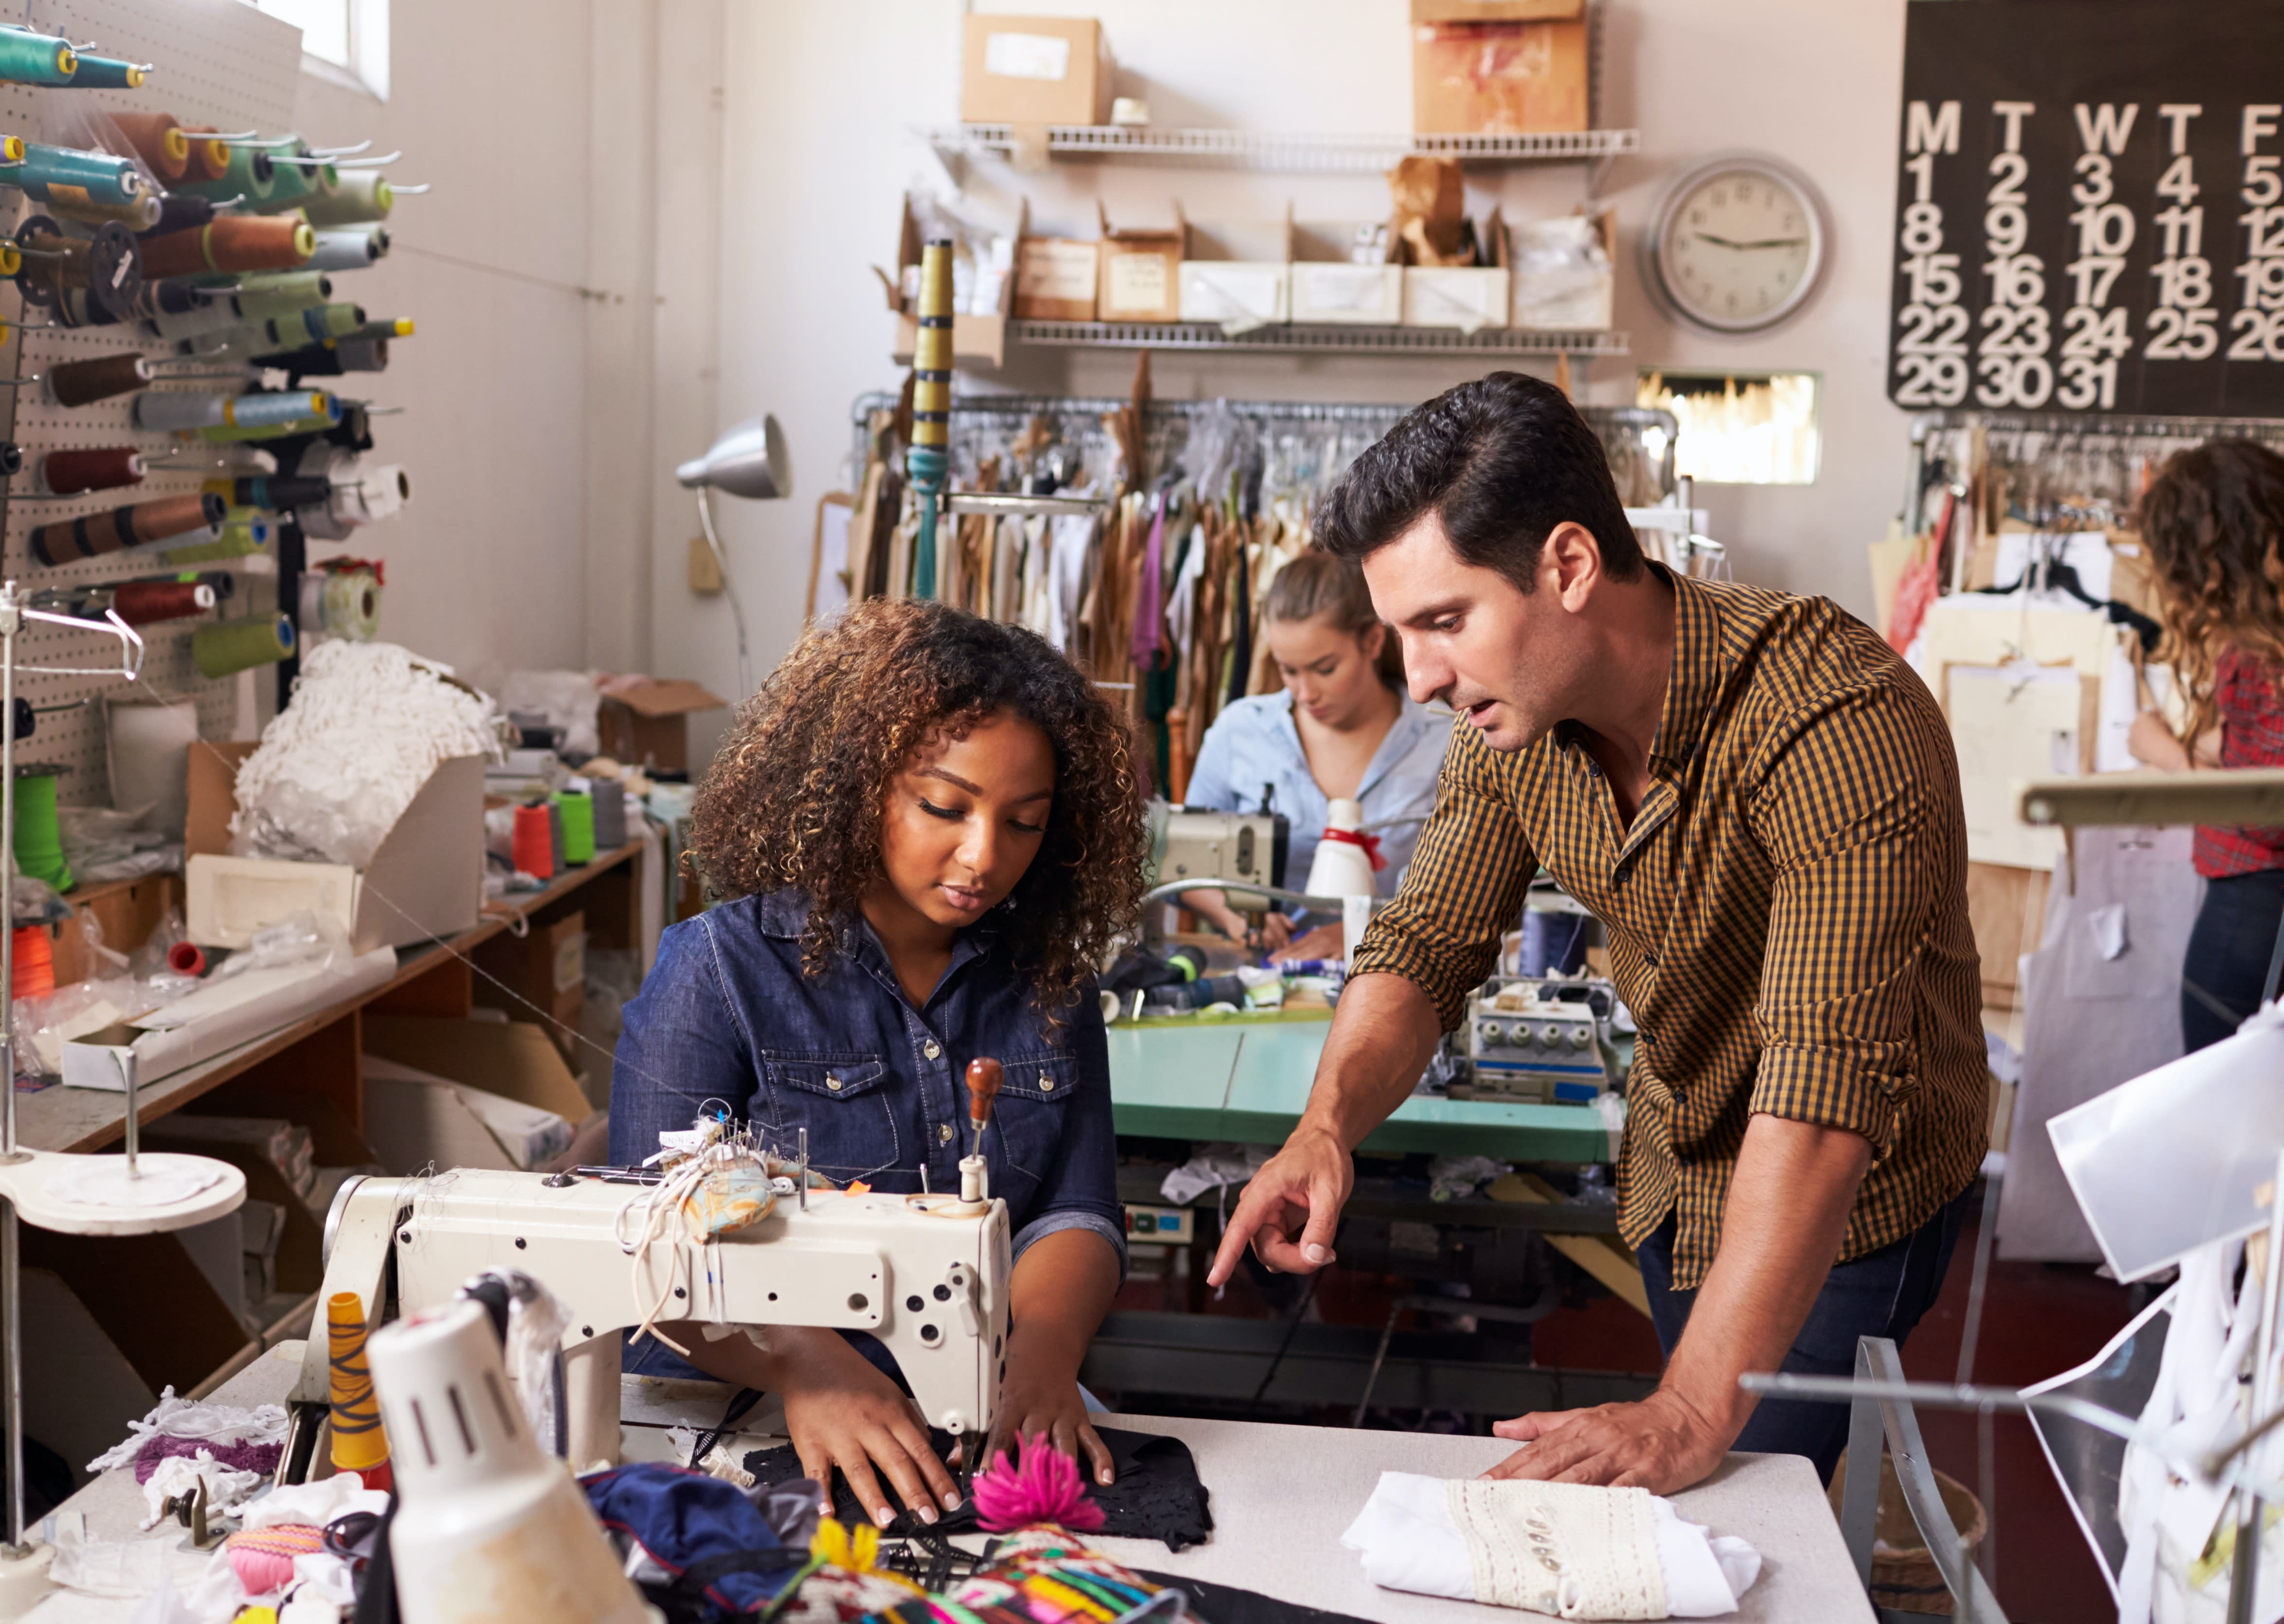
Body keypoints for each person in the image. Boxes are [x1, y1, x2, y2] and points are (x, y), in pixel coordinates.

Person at [1207, 373, 1989, 1491]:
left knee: (1758, 1494)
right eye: (1399, 633)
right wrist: (1324, 1127)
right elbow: (1427, 938)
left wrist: (1685, 1410)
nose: (1417, 678)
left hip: (1850, 1190)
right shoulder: (1510, 720)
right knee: (1698, 1479)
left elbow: (1823, 1085)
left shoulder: (1834, 718)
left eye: (1443, 622)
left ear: (1567, 567)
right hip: (1679, 1159)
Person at [610, 599, 1150, 1529]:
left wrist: (1044, 1354)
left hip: (966, 1410)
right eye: (946, 806)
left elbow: (1075, 1208)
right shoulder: (719, 970)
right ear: (860, 784)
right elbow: (649, 1237)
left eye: (1025, 822)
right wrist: (804, 1360)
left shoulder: (1051, 983)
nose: (984, 856)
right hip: (739, 1400)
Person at [1179, 549, 1451, 963]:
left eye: (1325, 669)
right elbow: (1181, 864)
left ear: (1373, 641)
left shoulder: (1445, 741)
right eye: (1289, 670)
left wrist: (1367, 930)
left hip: (1402, 969)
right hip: (1266, 978)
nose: (1305, 693)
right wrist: (1233, 912)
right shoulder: (1241, 732)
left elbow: (1477, 886)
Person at [2124, 439, 2284, 1052]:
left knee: (2221, 1100)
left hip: (2257, 903)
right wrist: (2214, 742)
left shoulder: (2264, 649)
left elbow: (2269, 809)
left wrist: (2162, 750)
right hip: (2256, 904)